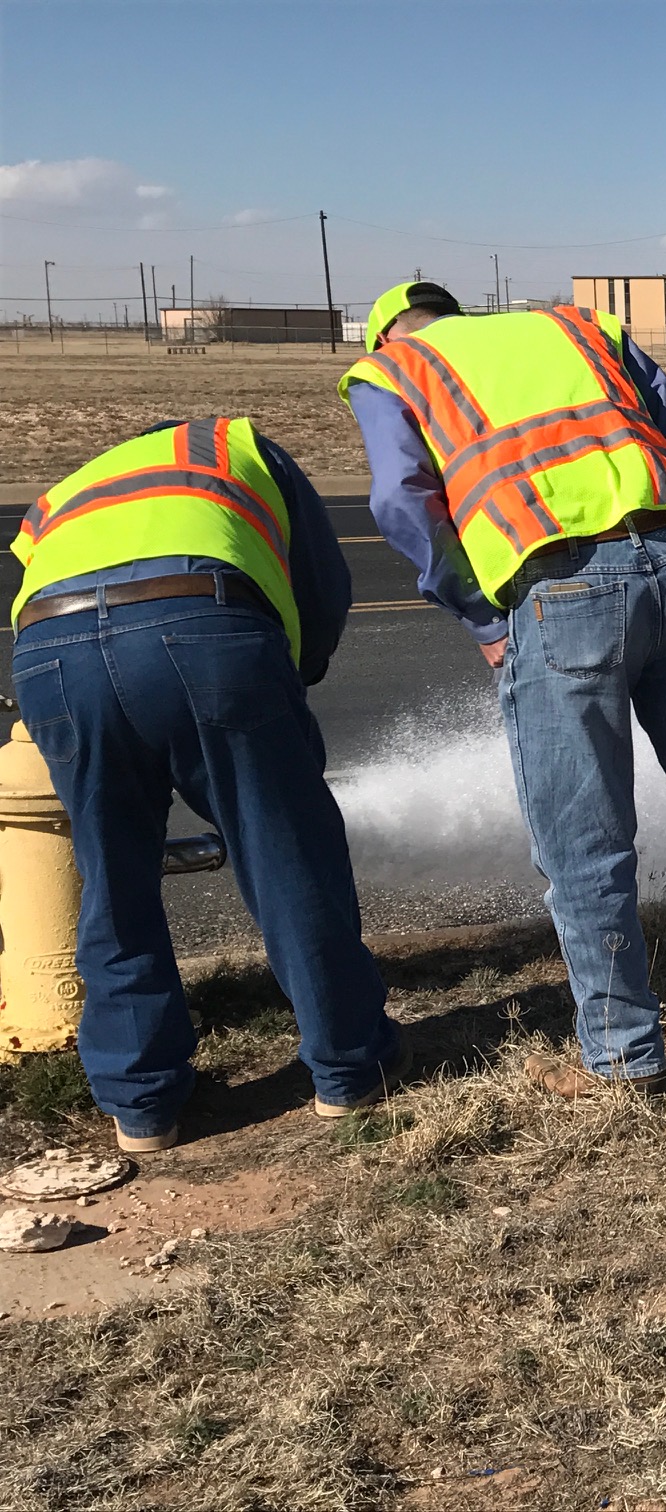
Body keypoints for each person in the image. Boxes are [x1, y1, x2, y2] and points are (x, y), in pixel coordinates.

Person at [338, 282, 666, 1094]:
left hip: (563, 591)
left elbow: (399, 500)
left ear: (384, 338)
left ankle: (628, 1058)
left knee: (587, 847)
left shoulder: (396, 369)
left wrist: (482, 617)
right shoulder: (580, 328)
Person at [8, 419, 403, 1152]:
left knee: (112, 874)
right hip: (198, 624)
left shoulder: (68, 491)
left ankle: (142, 1108)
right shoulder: (233, 446)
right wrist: (291, 683)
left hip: (48, 652)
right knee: (285, 854)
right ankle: (348, 1071)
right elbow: (321, 587)